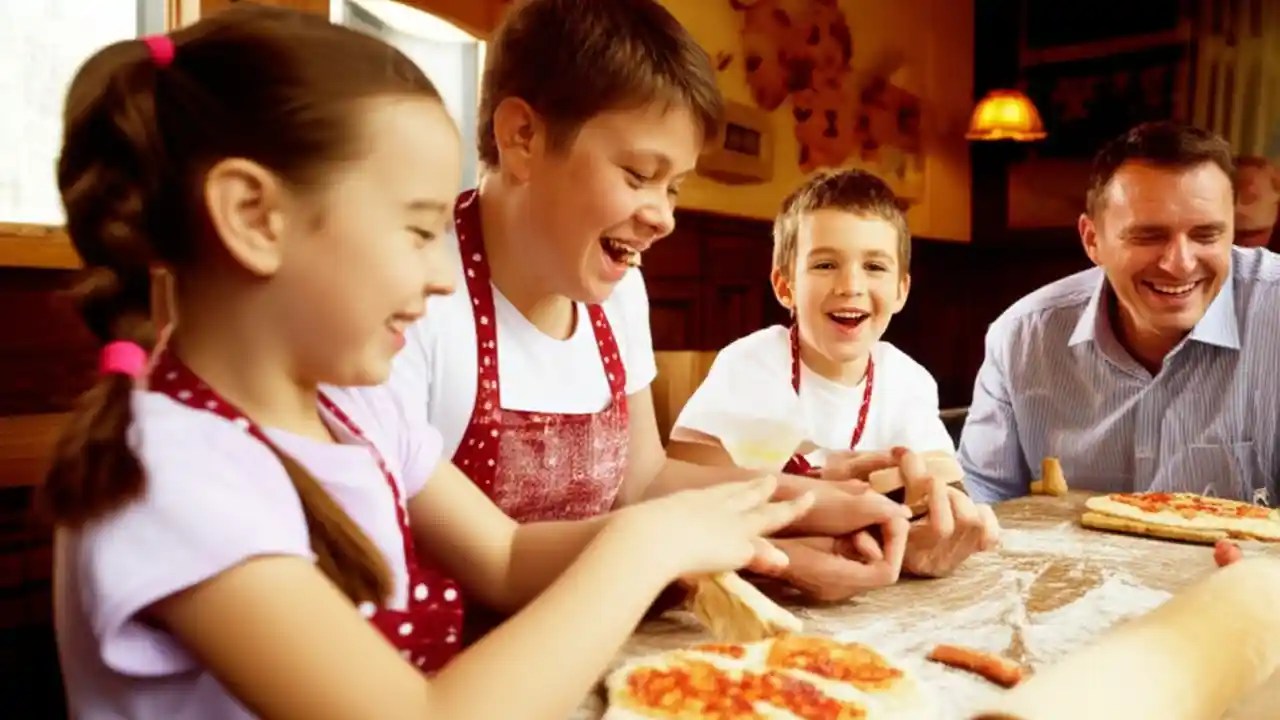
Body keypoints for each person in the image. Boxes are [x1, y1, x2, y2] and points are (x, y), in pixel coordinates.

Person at [41, 8, 852, 718]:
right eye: (415, 227)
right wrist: (645, 549)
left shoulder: (353, 410)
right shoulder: (170, 478)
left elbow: (501, 557)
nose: (439, 274)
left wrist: (748, 519)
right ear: (255, 216)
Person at [389, 0, 958, 606]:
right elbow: (497, 560)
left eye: (675, 186)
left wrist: (828, 505)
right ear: (522, 137)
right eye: (638, 175)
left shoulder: (617, 290)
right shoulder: (409, 300)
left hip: (604, 625)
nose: (664, 218)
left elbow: (644, 480)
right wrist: (772, 545)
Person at [667, 169, 1000, 593]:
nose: (851, 286)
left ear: (901, 291)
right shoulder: (749, 366)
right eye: (825, 264)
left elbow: (942, 488)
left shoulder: (909, 381)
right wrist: (819, 485)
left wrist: (941, 522)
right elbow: (681, 483)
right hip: (758, 580)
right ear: (784, 285)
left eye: (874, 266)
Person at [960, 121, 1280, 504]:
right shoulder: (1020, 338)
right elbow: (984, 504)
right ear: (1093, 240)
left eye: (1206, 236)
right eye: (1149, 236)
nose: (1179, 264)